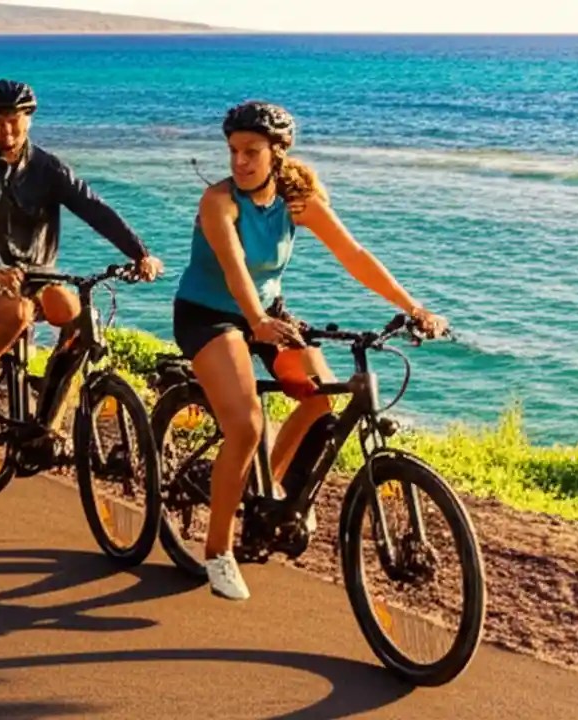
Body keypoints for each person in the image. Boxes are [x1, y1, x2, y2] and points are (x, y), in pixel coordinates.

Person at [172, 100, 448, 601]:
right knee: (247, 423)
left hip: (267, 313)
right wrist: (256, 321)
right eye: (233, 151)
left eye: (251, 152)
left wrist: (414, 307)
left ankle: (266, 492)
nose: (239, 162)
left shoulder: (298, 202)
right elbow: (234, 270)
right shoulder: (219, 202)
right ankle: (218, 552)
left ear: (277, 153)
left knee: (320, 398)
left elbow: (356, 256)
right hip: (208, 313)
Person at [0, 78, 164, 413]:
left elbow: (94, 208)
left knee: (76, 318)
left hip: (38, 272)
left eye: (14, 121)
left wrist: (139, 253)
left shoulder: (48, 168)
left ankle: (50, 400)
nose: (7, 131)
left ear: (29, 120)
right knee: (19, 313)